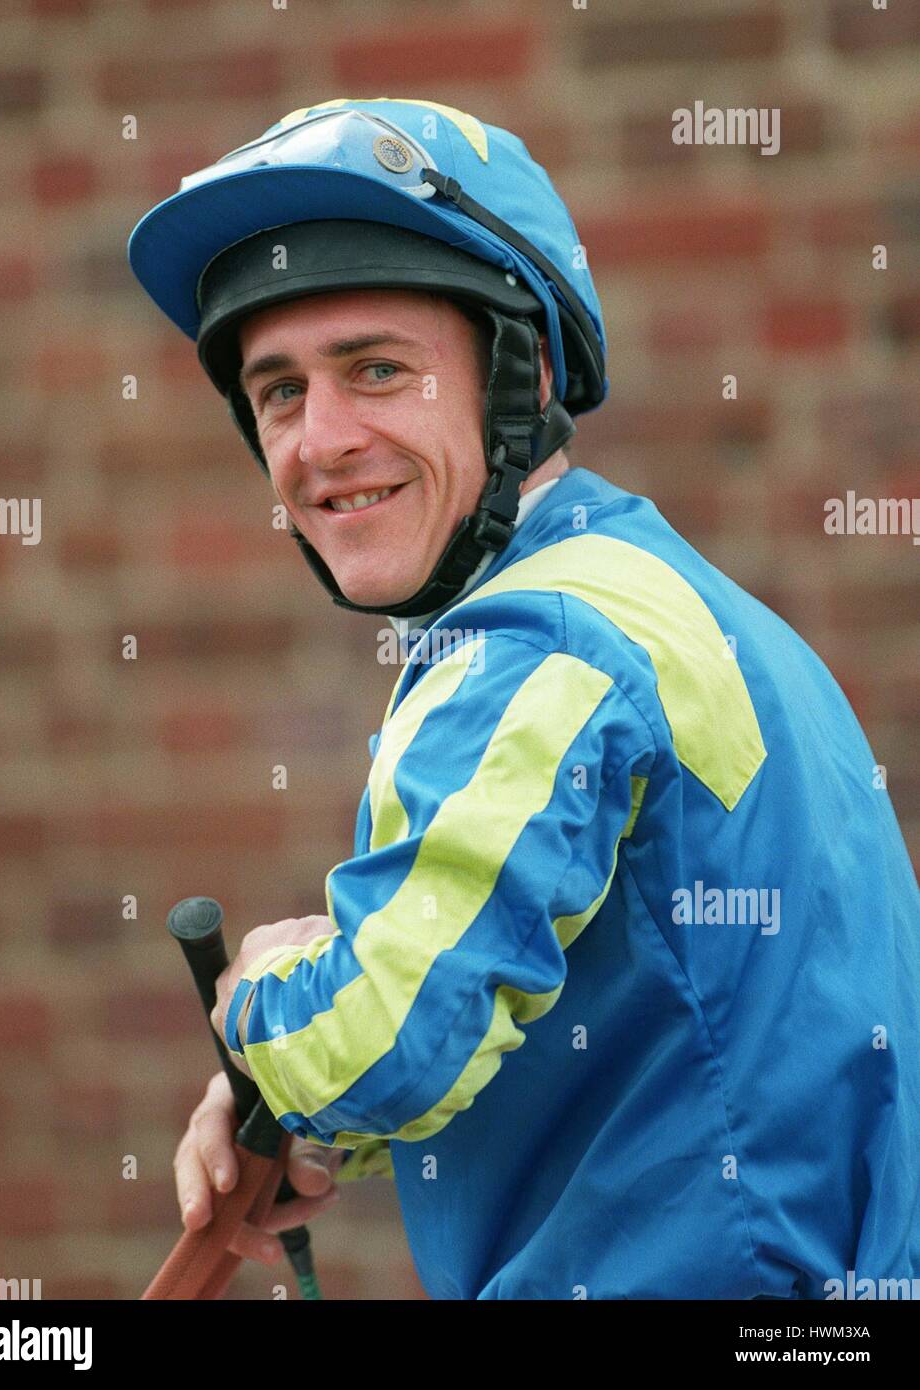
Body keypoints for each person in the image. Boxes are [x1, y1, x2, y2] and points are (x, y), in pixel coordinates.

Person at [128, 98, 920, 1300]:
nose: (320, 439)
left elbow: (385, 1039)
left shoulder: (534, 642)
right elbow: (593, 991)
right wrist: (302, 1117)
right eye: (280, 392)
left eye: (377, 369)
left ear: (522, 371)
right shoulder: (664, 598)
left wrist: (261, 1012)